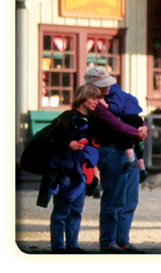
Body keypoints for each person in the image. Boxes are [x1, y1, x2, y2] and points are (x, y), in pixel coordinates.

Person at [83, 67, 149, 253]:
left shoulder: (116, 96)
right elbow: (117, 125)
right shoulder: (93, 103)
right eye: (102, 86)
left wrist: (143, 126)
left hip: (128, 151)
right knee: (114, 199)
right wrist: (139, 132)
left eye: (107, 84)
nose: (107, 88)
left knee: (130, 199)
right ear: (90, 86)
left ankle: (123, 240)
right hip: (111, 151)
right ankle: (108, 242)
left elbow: (132, 117)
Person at [43, 84, 102, 254]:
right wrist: (68, 143)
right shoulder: (67, 117)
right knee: (61, 210)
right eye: (93, 98)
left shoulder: (90, 121)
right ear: (83, 98)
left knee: (76, 210)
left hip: (82, 172)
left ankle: (73, 245)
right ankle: (58, 246)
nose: (96, 102)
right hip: (66, 171)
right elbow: (50, 136)